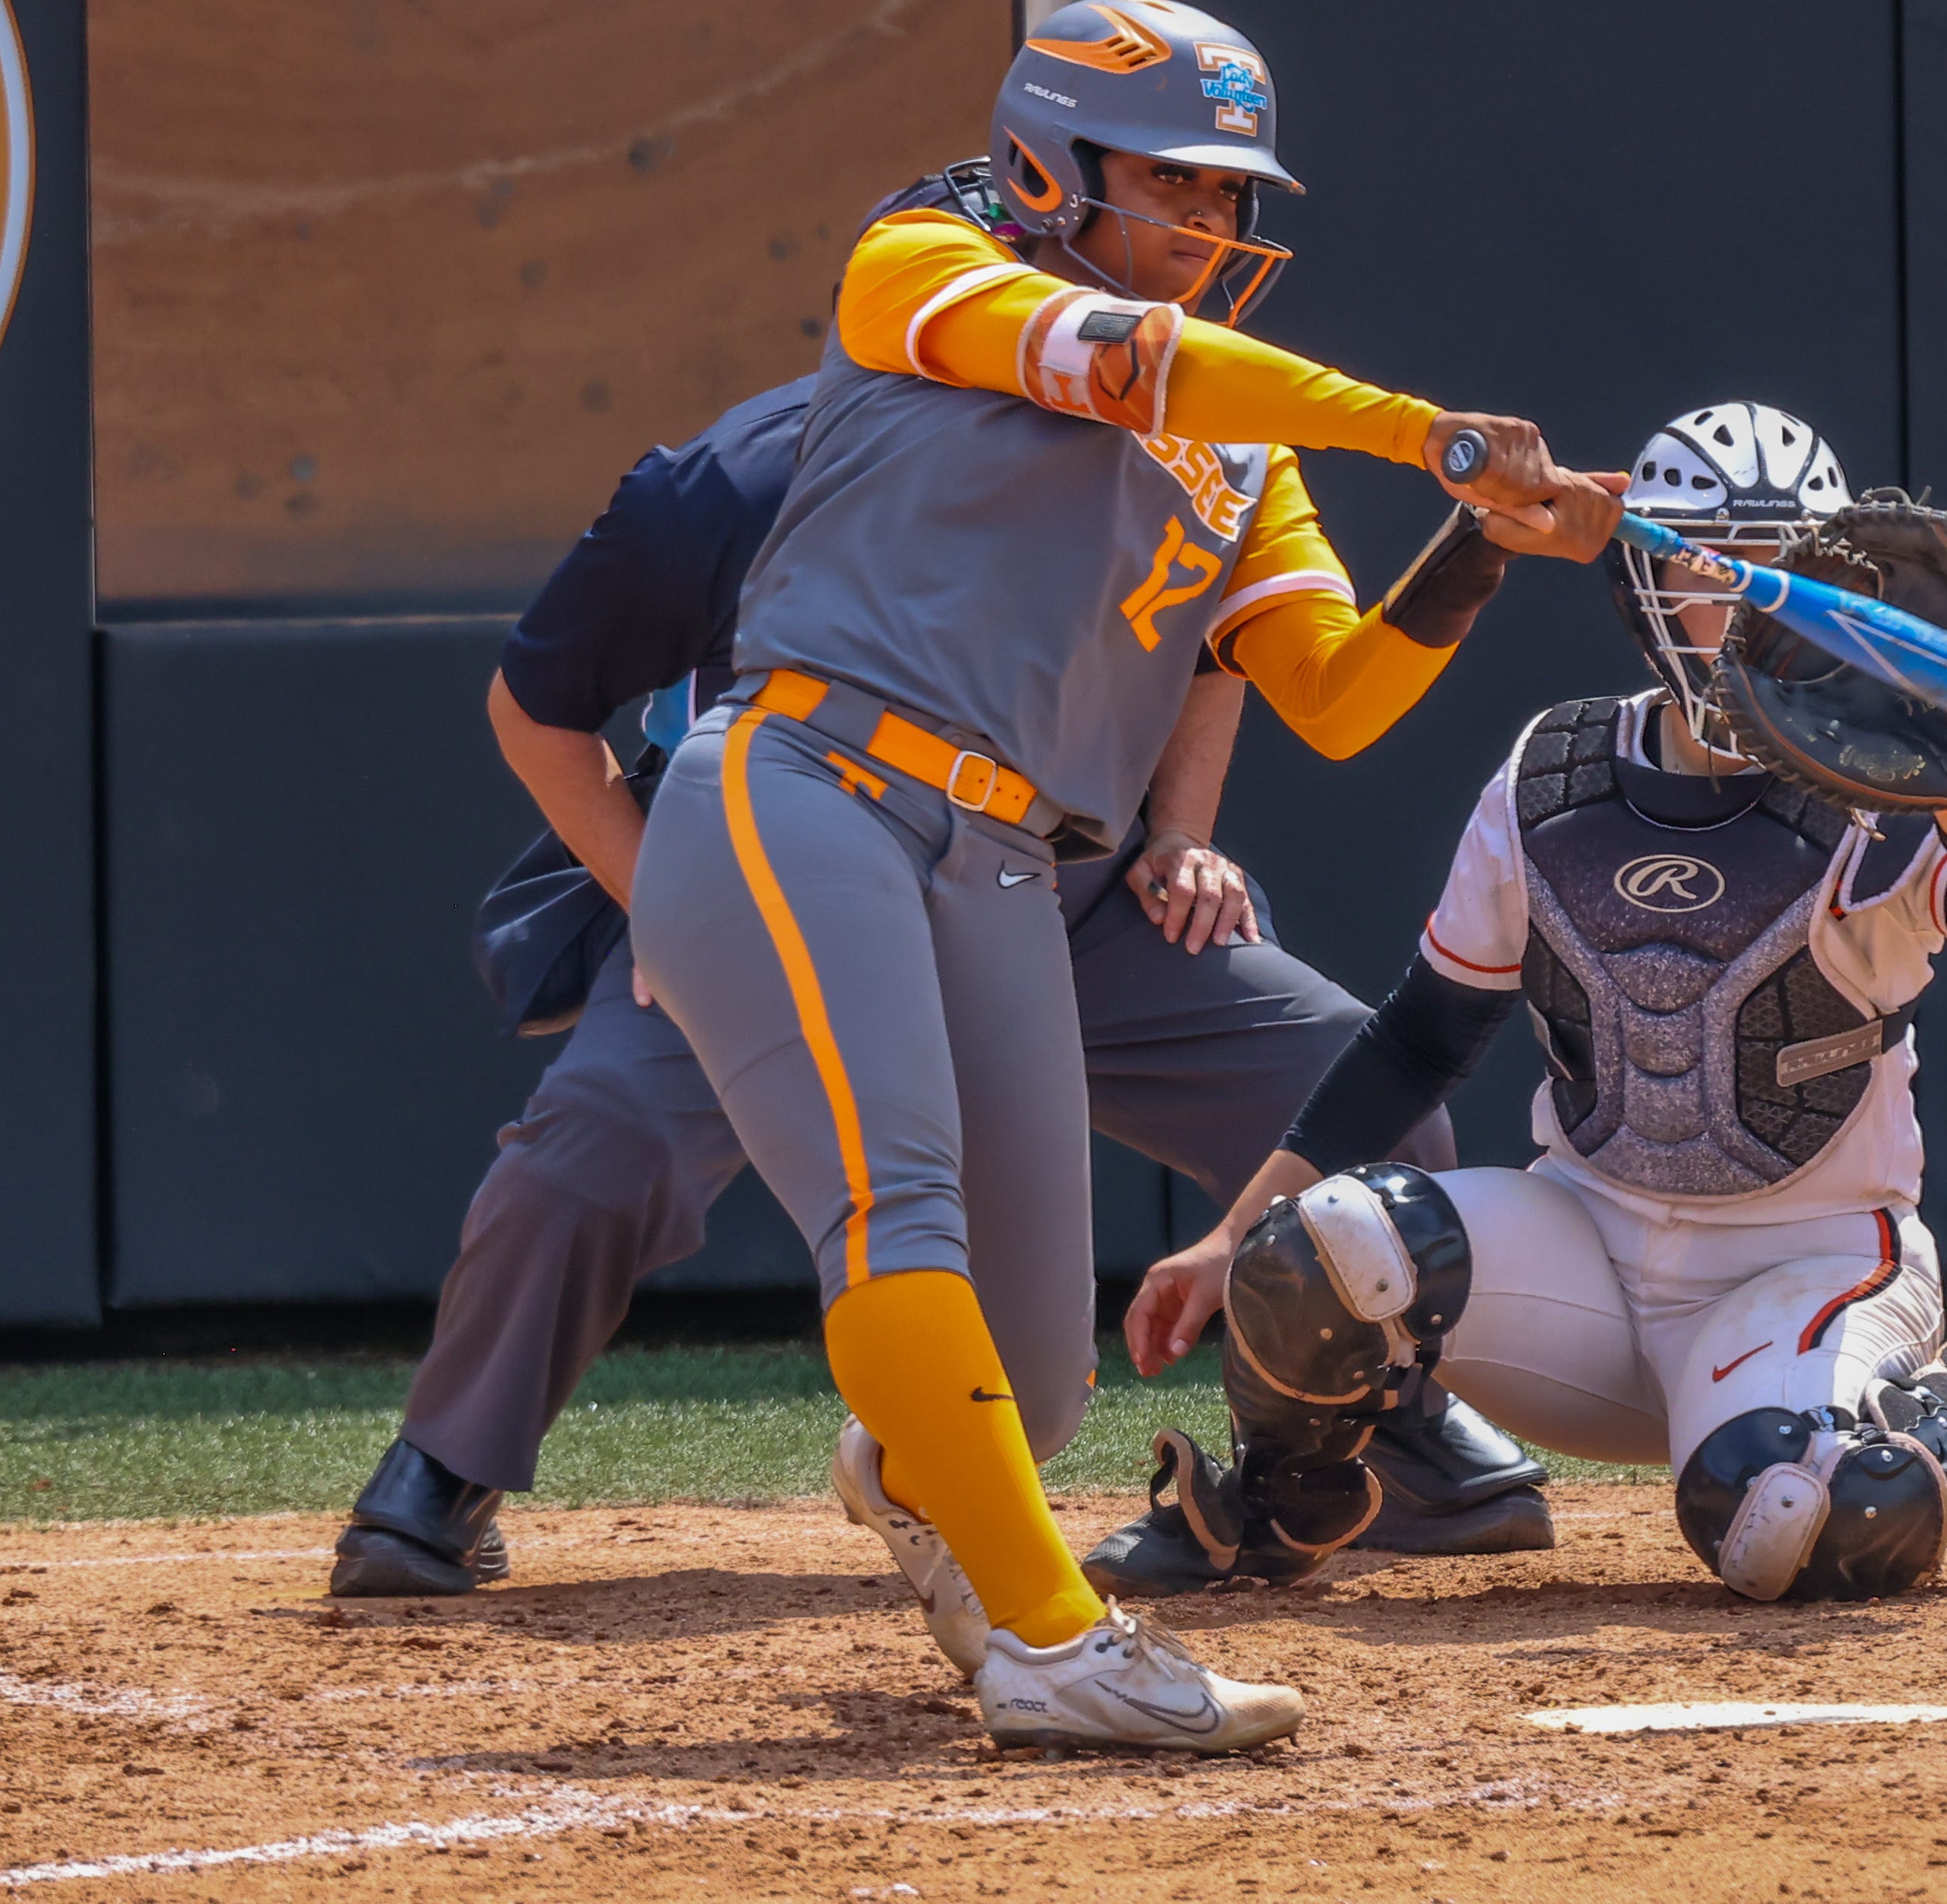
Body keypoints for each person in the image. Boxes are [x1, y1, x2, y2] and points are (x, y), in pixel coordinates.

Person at [330, 186, 1551, 1620]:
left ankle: (1352, 1426)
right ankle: (448, 1461)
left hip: (1052, 880)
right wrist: (662, 899)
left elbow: (1219, 642)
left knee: (1344, 1086)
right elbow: (536, 706)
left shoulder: (1179, 440)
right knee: (599, 1144)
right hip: (801, 856)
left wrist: (1181, 831)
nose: (1042, 300)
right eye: (1011, 273)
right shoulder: (745, 472)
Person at [624, 0, 1618, 1753]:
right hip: (808, 781)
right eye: (1169, 178)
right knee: (897, 1213)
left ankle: (914, 1466)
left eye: (1226, 192)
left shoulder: (1241, 441)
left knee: (1034, 1376)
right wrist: (1420, 429)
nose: (1206, 220)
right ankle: (1053, 1644)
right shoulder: (918, 264)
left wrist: (1475, 546)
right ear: (1043, 161)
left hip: (1004, 855)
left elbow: (1335, 695)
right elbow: (1129, 363)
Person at [1087, 404, 1947, 1607]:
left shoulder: (1888, 790)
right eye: (1715, 568)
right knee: (1317, 1241)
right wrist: (1230, 1238)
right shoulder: (1555, 770)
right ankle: (1271, 1513)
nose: (1749, 605)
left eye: (1781, 572)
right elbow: (1421, 1038)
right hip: (1586, 1253)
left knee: (1797, 1528)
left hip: (1805, 1265)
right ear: (1648, 587)